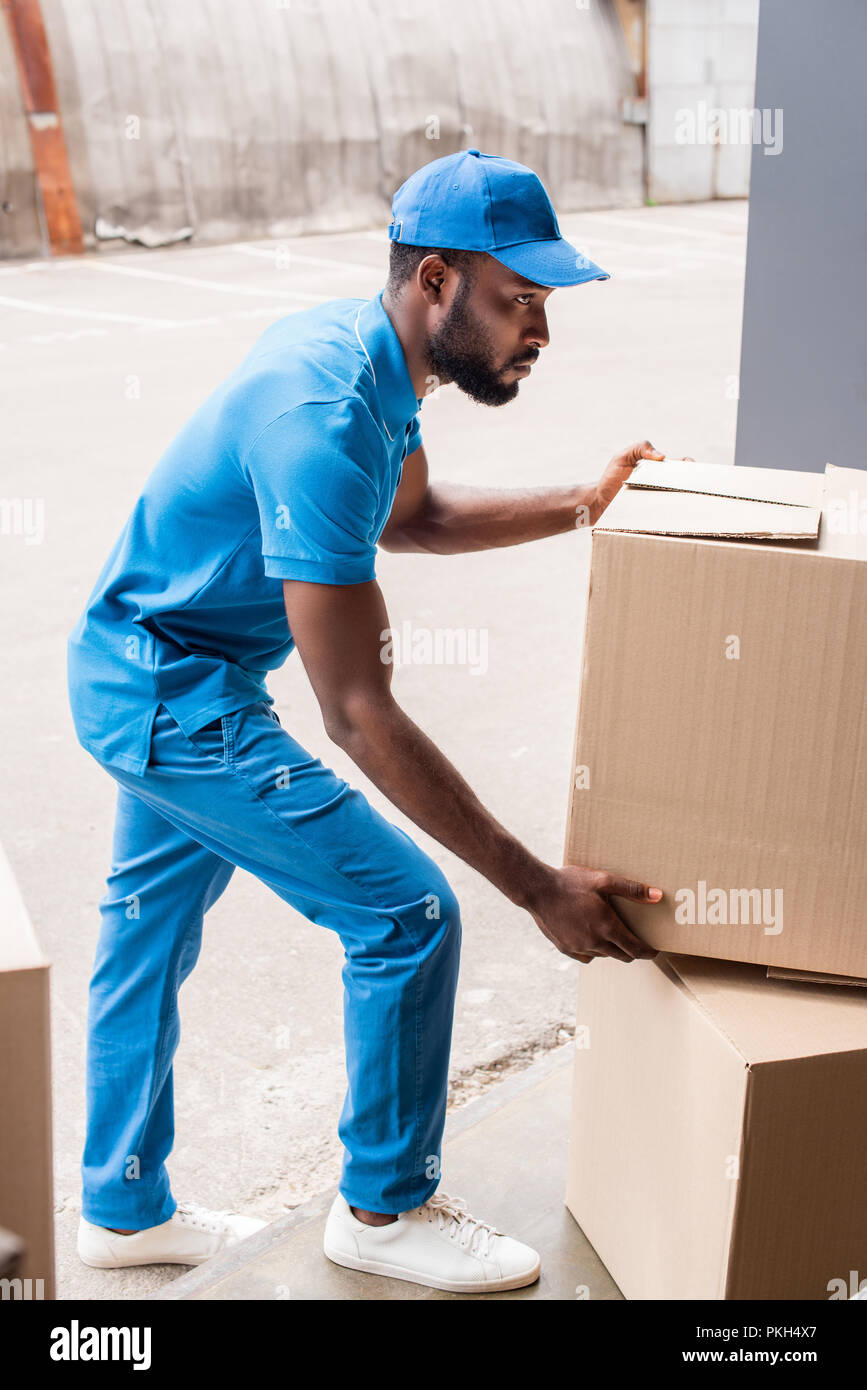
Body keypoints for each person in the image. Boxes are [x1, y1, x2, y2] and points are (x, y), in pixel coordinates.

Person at [68, 149, 670, 1295]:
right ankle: (384, 1208)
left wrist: (578, 504)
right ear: (436, 280)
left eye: (543, 304)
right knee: (405, 913)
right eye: (520, 302)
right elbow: (356, 710)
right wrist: (538, 884)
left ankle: (121, 1209)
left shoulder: (381, 370)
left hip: (156, 666)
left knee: (145, 936)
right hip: (165, 692)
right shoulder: (326, 413)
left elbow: (420, 515)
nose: (539, 331)